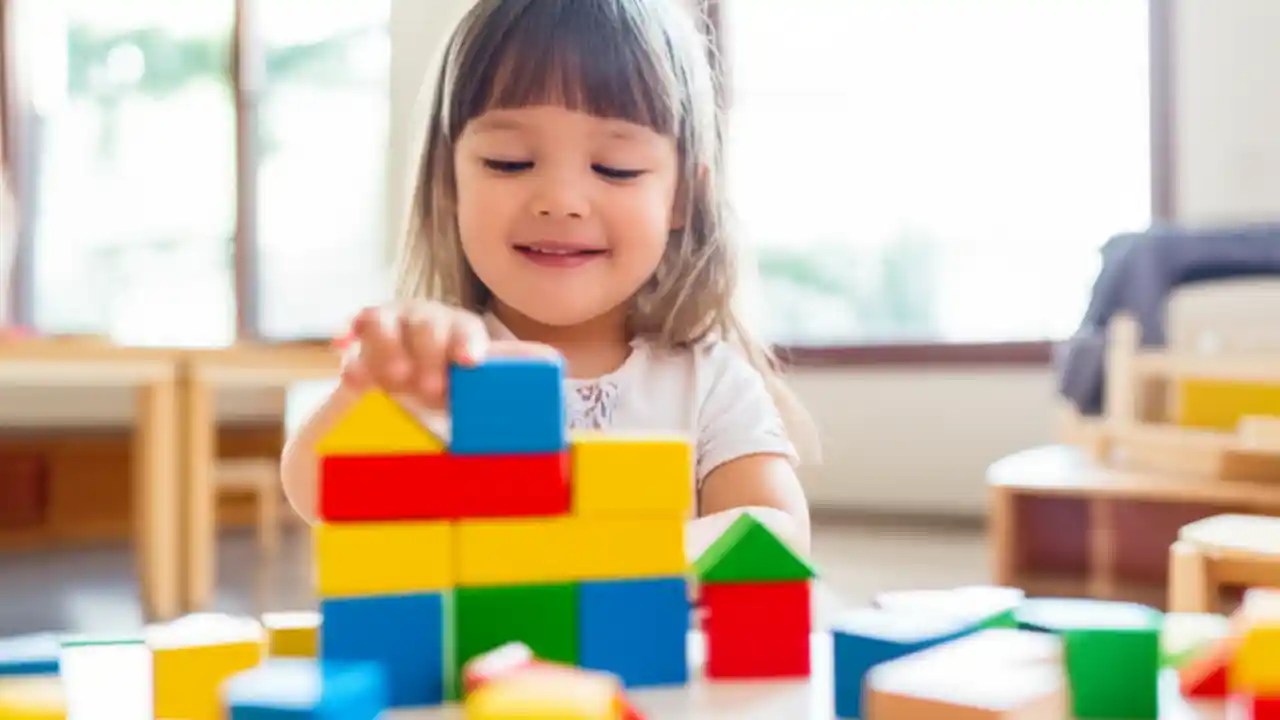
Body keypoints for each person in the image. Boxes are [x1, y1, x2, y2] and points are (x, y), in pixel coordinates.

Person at [281, 0, 818, 556]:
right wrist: (375, 388)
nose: (560, 202)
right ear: (449, 184)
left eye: (616, 169)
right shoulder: (439, 370)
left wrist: (613, 563)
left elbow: (777, 530)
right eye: (509, 162)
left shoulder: (707, 381)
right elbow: (316, 492)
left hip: (643, 642)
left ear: (682, 195)